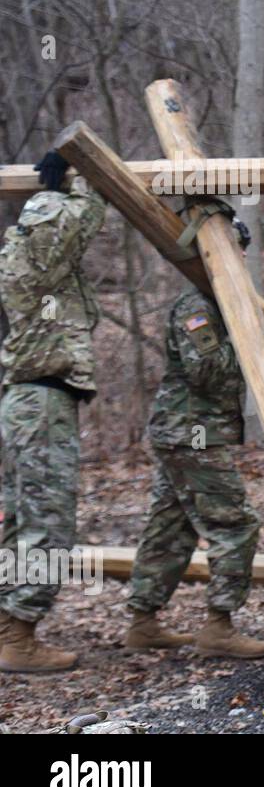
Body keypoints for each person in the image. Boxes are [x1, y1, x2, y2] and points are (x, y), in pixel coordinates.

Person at [124, 210, 264, 658]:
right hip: (192, 433)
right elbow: (207, 370)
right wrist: (248, 339)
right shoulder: (199, 307)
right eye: (236, 249)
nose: (242, 257)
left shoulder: (218, 301)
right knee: (236, 523)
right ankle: (219, 626)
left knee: (171, 527)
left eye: (244, 249)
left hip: (186, 432)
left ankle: (142, 623)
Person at [0, 151, 104, 672]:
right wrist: (81, 182)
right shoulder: (36, 260)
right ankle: (19, 635)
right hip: (40, 402)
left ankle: (9, 629)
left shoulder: (27, 263)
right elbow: (83, 220)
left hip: (26, 401)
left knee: (18, 518)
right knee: (47, 523)